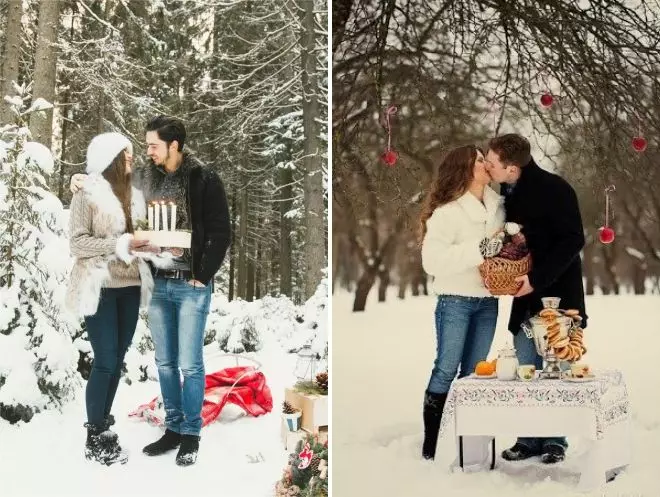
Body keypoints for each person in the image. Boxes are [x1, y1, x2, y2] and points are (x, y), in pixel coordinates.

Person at [71, 116, 231, 466]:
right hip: (158, 285)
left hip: (190, 285)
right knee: (164, 362)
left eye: (153, 145)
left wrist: (202, 276)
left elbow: (221, 232)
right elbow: (106, 182)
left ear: (174, 146)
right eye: (143, 147)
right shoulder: (147, 177)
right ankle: (172, 428)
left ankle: (191, 432)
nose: (147, 152)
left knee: (190, 363)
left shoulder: (203, 179)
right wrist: (80, 178)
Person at [485, 133, 587, 464]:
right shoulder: (505, 192)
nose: (488, 165)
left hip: (557, 293)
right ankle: (528, 439)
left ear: (512, 168)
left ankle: (555, 440)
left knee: (557, 370)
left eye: (492, 161)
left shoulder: (556, 189)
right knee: (526, 366)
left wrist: (536, 279)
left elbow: (573, 241)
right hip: (524, 297)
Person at [66, 132, 159, 465]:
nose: (131, 162)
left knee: (117, 359)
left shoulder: (134, 197)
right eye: (126, 156)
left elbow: (138, 239)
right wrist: (117, 246)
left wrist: (151, 245)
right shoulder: (86, 195)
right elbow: (77, 244)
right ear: (110, 159)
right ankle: (94, 434)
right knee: (105, 360)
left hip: (131, 287)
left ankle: (104, 424)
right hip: (100, 286)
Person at [419, 145, 505, 460]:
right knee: (445, 369)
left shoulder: (499, 206)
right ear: (464, 168)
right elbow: (432, 261)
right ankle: (431, 446)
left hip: (488, 301)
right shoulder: (447, 212)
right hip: (455, 299)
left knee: (473, 373)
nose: (486, 164)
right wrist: (479, 249)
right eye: (480, 160)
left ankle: (467, 443)